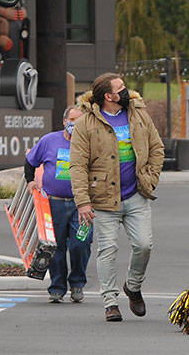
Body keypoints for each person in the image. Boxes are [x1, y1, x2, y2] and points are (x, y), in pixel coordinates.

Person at [70, 73, 164, 322]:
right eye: (120, 88)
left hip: (136, 195)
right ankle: (110, 302)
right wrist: (83, 202)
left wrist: (150, 179)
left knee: (144, 245)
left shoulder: (138, 114)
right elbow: (77, 166)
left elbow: (157, 148)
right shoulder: (85, 124)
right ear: (108, 96)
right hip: (102, 200)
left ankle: (132, 287)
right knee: (107, 250)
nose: (126, 90)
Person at [24, 105, 91, 303]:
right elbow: (30, 161)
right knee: (56, 247)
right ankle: (57, 287)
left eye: (80, 121)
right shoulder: (49, 141)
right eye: (72, 120)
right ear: (64, 121)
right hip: (54, 204)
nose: (75, 125)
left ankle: (77, 284)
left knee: (81, 244)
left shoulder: (90, 143)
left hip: (82, 205)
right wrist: (30, 181)